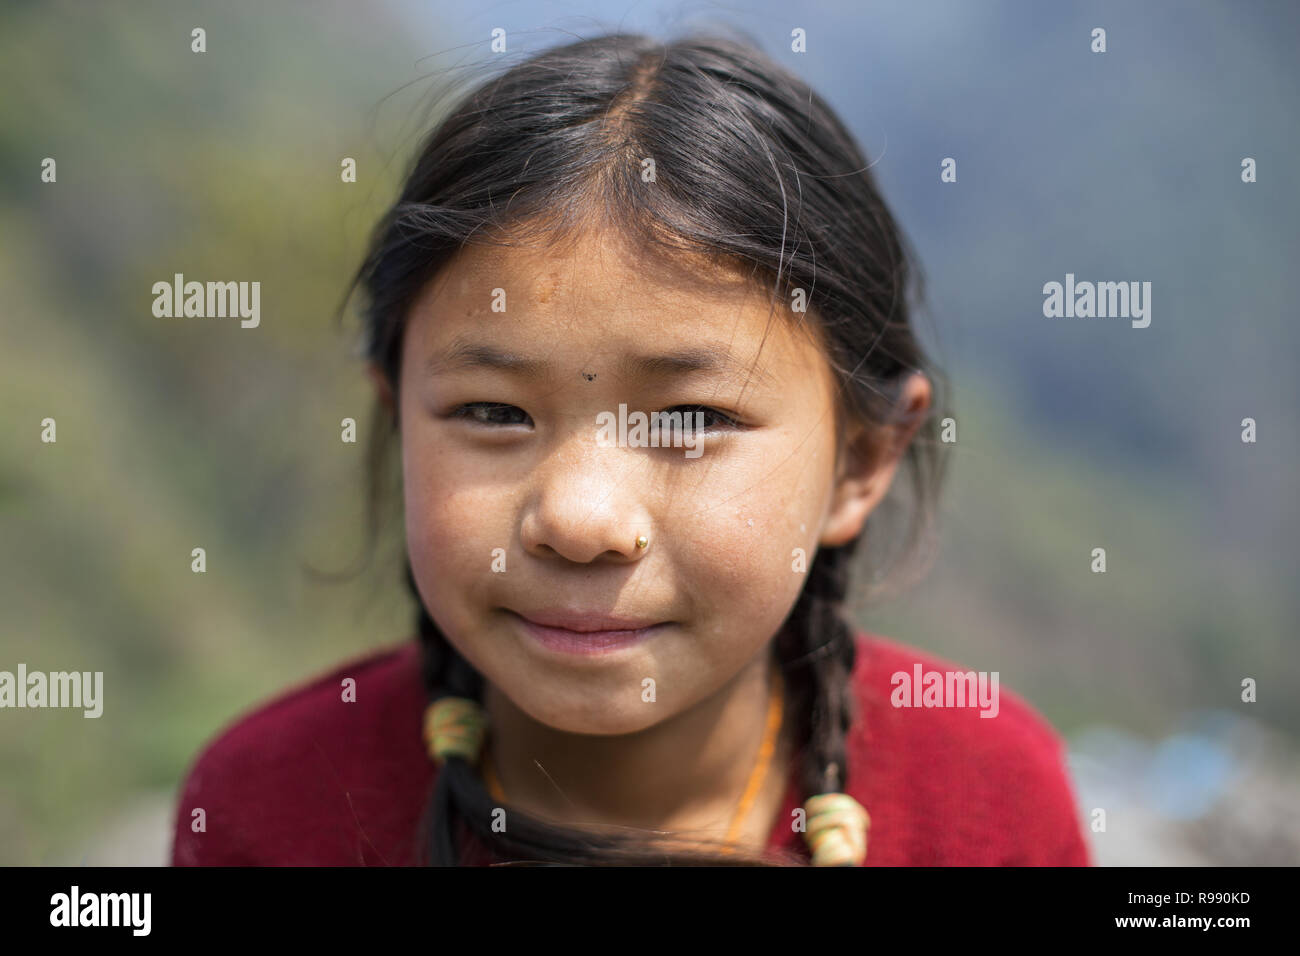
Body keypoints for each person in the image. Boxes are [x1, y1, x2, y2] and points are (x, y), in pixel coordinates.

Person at [172, 30, 1091, 867]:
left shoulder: (989, 803)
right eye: (493, 413)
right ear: (397, 414)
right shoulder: (269, 808)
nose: (580, 519)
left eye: (690, 419)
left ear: (860, 462)